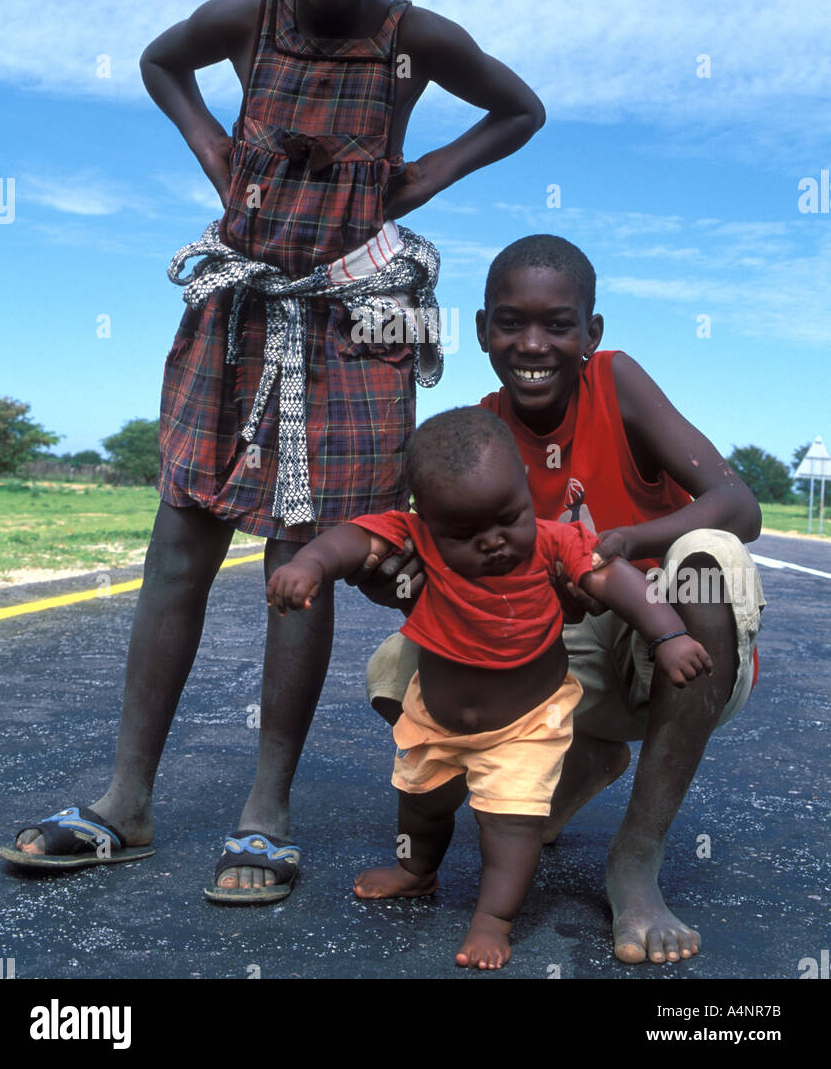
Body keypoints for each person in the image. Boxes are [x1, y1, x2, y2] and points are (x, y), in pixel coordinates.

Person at [0, 0, 545, 902]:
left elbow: (519, 109)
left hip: (351, 326)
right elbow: (162, 62)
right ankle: (127, 800)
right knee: (179, 546)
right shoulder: (241, 21)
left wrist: (419, 175)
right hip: (239, 311)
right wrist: (211, 147)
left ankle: (265, 811)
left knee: (303, 563)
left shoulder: (411, 40)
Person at [360, 235, 764, 963]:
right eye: (510, 323)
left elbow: (739, 505)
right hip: (548, 663)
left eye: (558, 324)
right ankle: (559, 771)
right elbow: (422, 556)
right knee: (397, 666)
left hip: (667, 650)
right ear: (482, 330)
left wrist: (624, 538)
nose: (532, 343)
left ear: (591, 333)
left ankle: (635, 859)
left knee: (714, 557)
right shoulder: (474, 435)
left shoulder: (614, 384)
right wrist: (395, 579)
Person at [267, 406, 713, 970]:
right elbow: (351, 540)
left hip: (525, 725)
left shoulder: (553, 542)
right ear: (423, 519)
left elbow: (614, 578)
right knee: (421, 806)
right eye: (465, 534)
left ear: (527, 489)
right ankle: (416, 871)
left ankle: (492, 919)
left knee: (510, 826)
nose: (494, 542)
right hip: (435, 719)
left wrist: (667, 633)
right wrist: (310, 564)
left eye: (509, 518)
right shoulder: (416, 537)